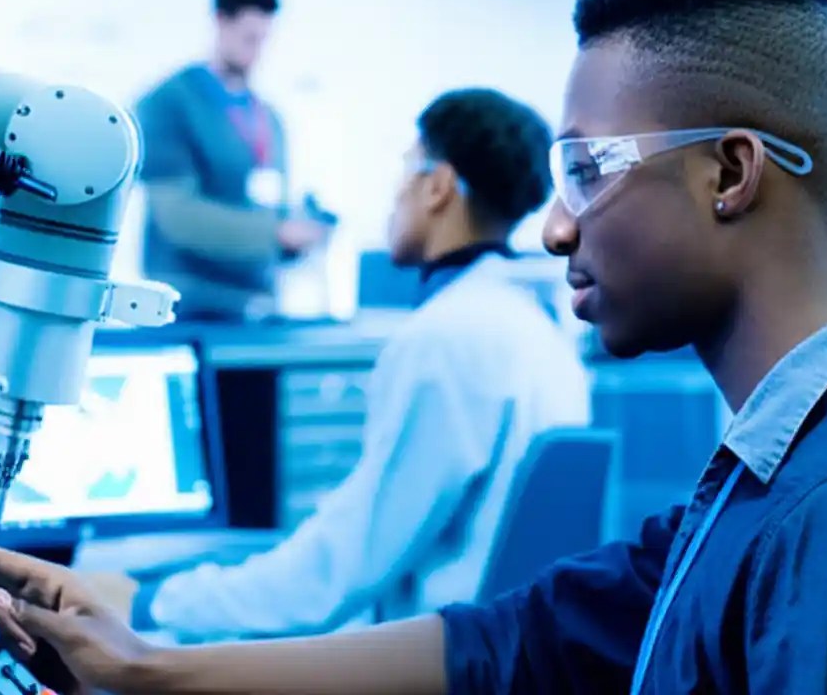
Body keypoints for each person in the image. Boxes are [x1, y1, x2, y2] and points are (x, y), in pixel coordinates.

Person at [0, 0, 827, 692]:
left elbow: (358, 581)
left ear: (728, 173)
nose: (554, 229)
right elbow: (516, 643)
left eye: (587, 171)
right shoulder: (762, 478)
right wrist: (146, 665)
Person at [81, 88, 589, 642]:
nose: (395, 195)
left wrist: (151, 600)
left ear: (438, 186)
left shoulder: (449, 338)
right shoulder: (537, 332)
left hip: (436, 661)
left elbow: (327, 581)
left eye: (404, 170)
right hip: (495, 653)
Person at [135, 0, 326, 322]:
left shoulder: (269, 118)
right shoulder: (168, 104)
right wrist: (275, 233)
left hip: (258, 307)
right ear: (220, 21)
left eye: (264, 39)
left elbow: (268, 206)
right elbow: (178, 217)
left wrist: (301, 233)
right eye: (249, 38)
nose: (257, 51)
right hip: (190, 308)